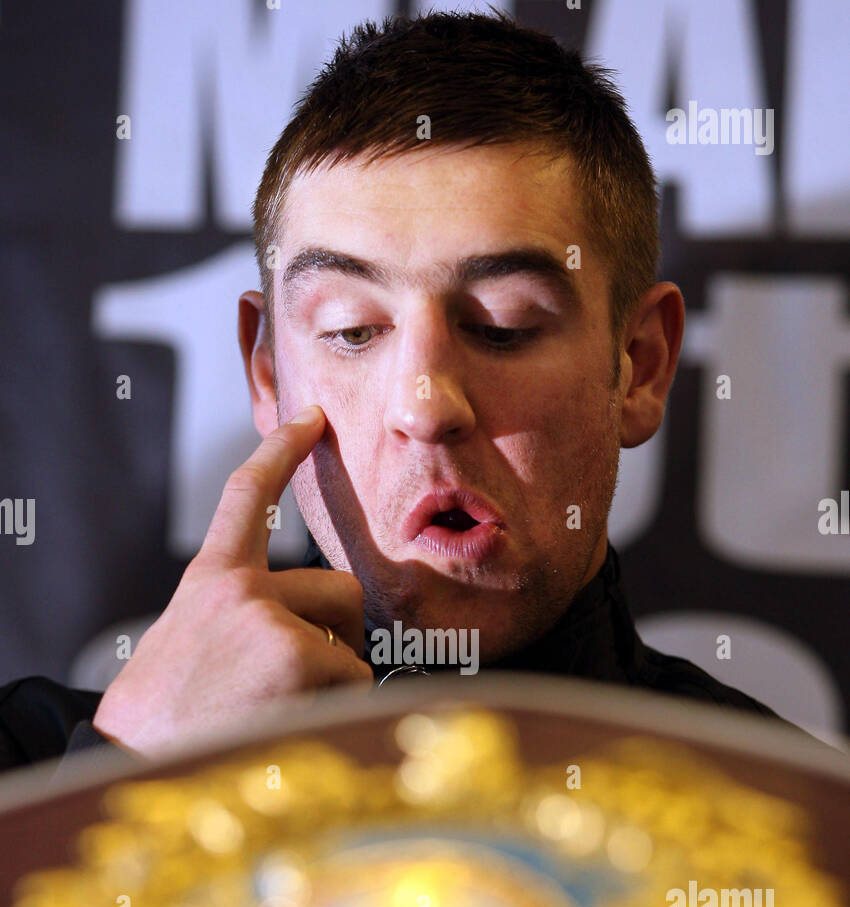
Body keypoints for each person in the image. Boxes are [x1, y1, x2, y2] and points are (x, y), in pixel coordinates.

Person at [0, 10, 778, 776]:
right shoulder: (31, 773)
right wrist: (126, 783)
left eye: (503, 326)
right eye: (351, 330)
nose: (426, 406)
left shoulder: (793, 829)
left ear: (639, 366)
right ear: (267, 375)